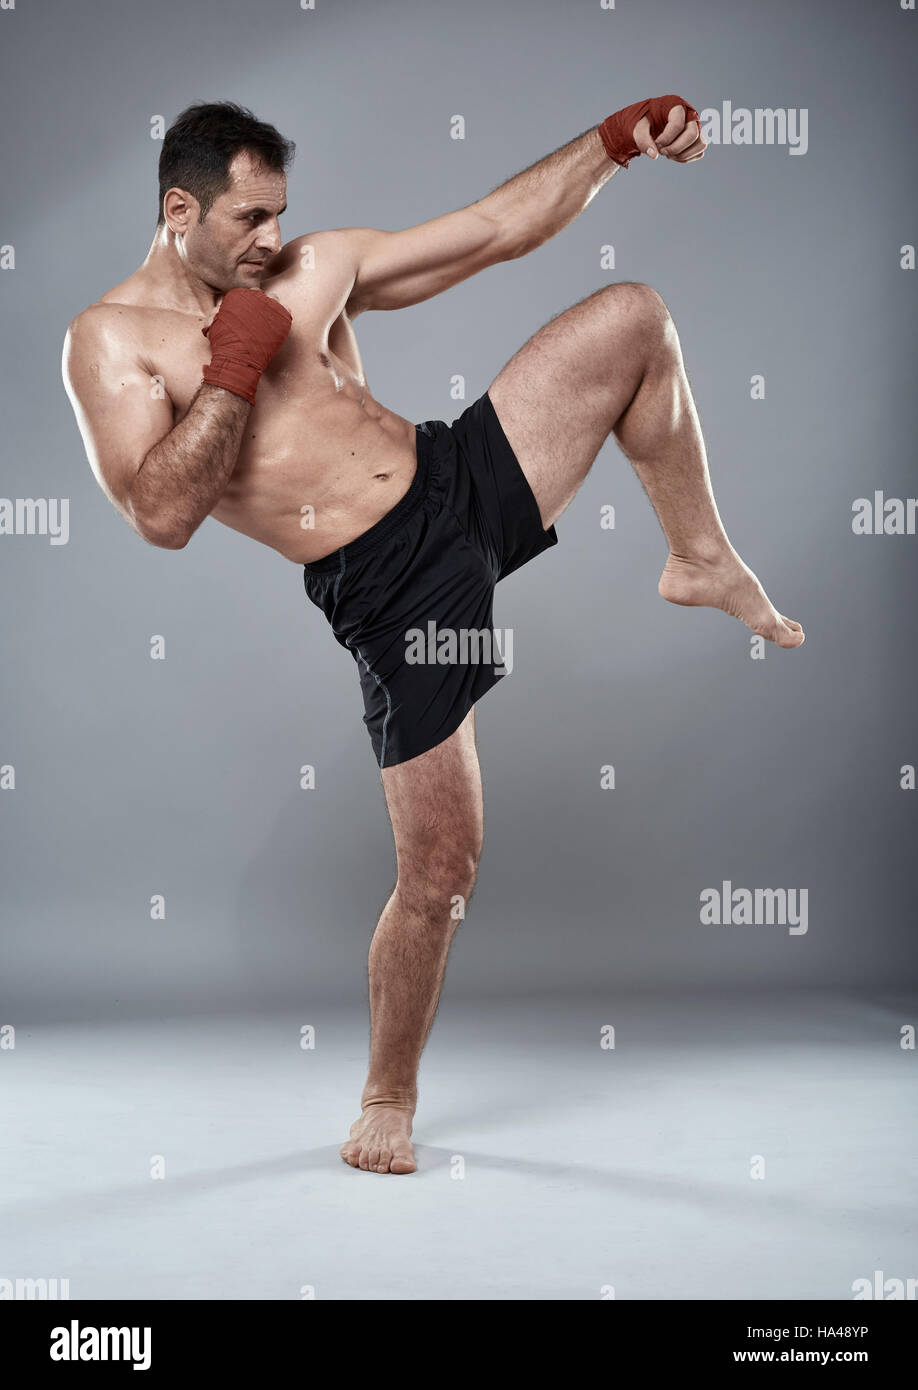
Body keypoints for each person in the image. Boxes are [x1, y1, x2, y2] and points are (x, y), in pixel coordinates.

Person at [62, 97, 804, 1175]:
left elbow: (497, 227)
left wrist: (610, 141)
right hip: (388, 588)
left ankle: (697, 555)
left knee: (636, 316)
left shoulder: (308, 270)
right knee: (444, 867)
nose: (272, 240)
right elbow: (161, 513)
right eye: (249, 219)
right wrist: (232, 365)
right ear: (180, 210)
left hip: (461, 480)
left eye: (281, 214)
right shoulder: (109, 340)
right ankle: (387, 1095)